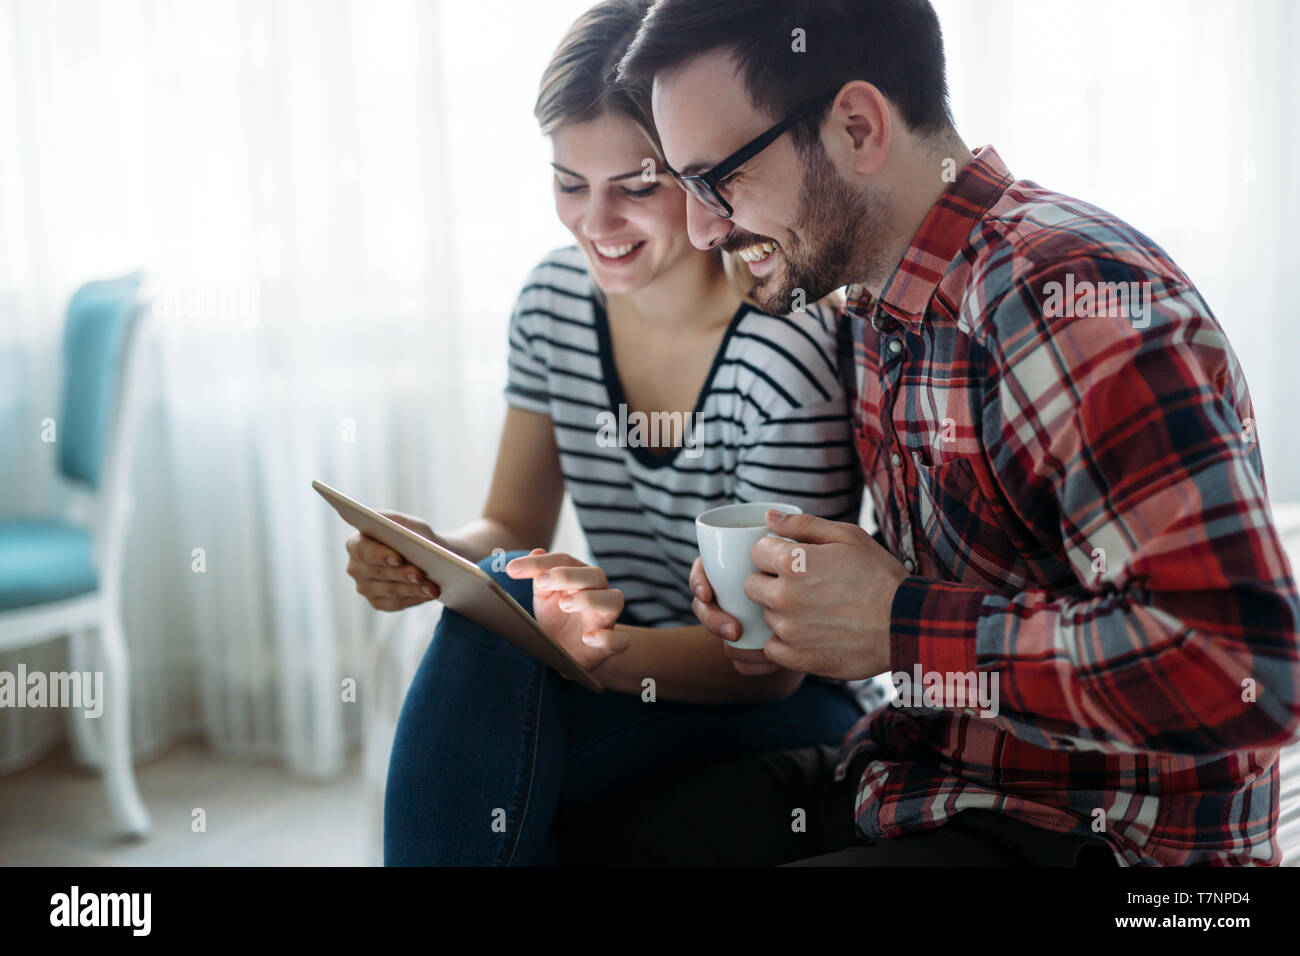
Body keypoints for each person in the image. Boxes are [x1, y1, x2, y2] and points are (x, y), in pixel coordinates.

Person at [549, 0, 1300, 866]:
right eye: (683, 188)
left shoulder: (1065, 295)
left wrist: (898, 623)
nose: (702, 230)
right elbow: (1005, 553)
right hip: (919, 781)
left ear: (858, 127)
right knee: (581, 843)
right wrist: (808, 599)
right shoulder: (871, 298)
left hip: (1100, 838)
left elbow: (1239, 668)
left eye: (719, 181)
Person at [366, 0, 879, 866]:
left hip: (775, 695)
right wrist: (436, 556)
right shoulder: (551, 303)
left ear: (697, 172)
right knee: (485, 618)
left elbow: (773, 655)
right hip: (629, 660)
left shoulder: (784, 345)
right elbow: (512, 528)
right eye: (570, 183)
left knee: (498, 767)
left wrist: (587, 649)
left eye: (636, 186)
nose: (594, 225)